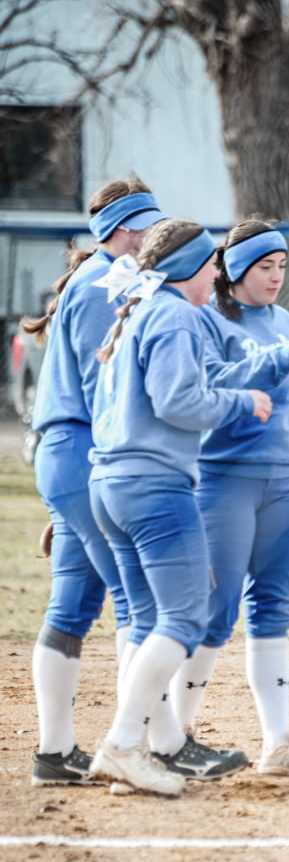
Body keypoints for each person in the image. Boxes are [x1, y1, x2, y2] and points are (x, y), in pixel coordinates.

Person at [87, 218, 272, 796]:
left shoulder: (142, 309)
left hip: (111, 481)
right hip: (152, 486)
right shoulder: (175, 314)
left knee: (145, 623)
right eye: (210, 263)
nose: (217, 272)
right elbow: (178, 401)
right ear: (189, 268)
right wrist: (243, 400)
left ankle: (134, 751)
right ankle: (120, 745)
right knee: (185, 618)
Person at [147, 218, 289, 777]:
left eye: (281, 266)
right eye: (264, 267)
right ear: (234, 269)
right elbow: (213, 387)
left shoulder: (284, 321)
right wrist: (277, 360)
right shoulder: (204, 318)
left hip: (286, 480)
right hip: (224, 478)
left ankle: (277, 742)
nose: (276, 277)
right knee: (215, 609)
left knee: (274, 606)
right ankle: (177, 736)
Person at [20, 176, 168, 787]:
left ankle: (55, 754)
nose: (157, 241)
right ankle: (144, 743)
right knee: (141, 598)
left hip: (68, 454)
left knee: (76, 602)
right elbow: (98, 392)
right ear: (124, 234)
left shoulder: (100, 280)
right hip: (86, 450)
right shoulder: (104, 286)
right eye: (150, 230)